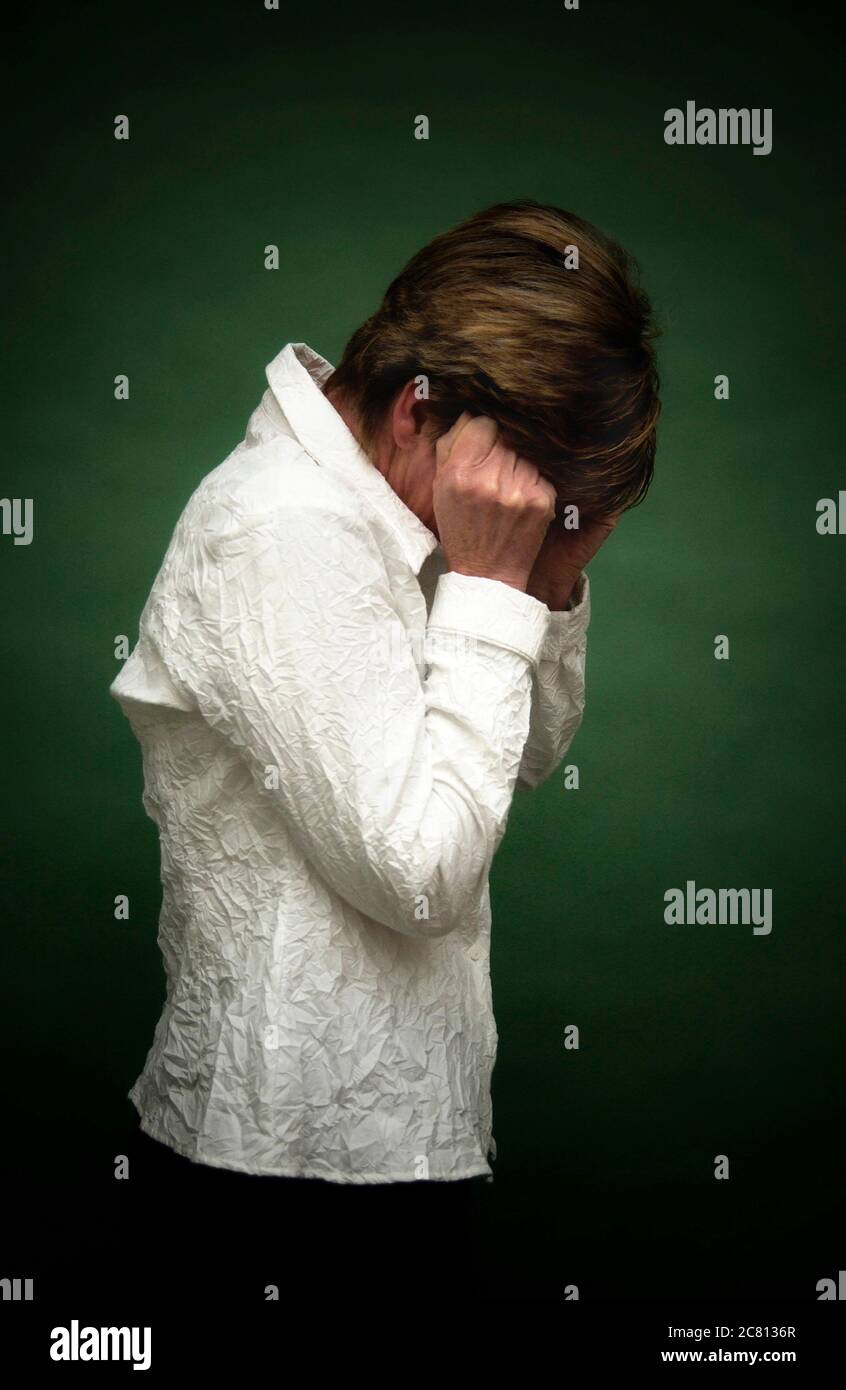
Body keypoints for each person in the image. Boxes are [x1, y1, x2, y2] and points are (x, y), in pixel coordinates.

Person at [108, 199, 660, 1290]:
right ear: (418, 411)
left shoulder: (395, 507)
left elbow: (515, 762)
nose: (525, 513)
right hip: (275, 1180)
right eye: (525, 489)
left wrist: (544, 581)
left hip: (410, 1144)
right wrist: (497, 582)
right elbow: (420, 875)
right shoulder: (283, 528)